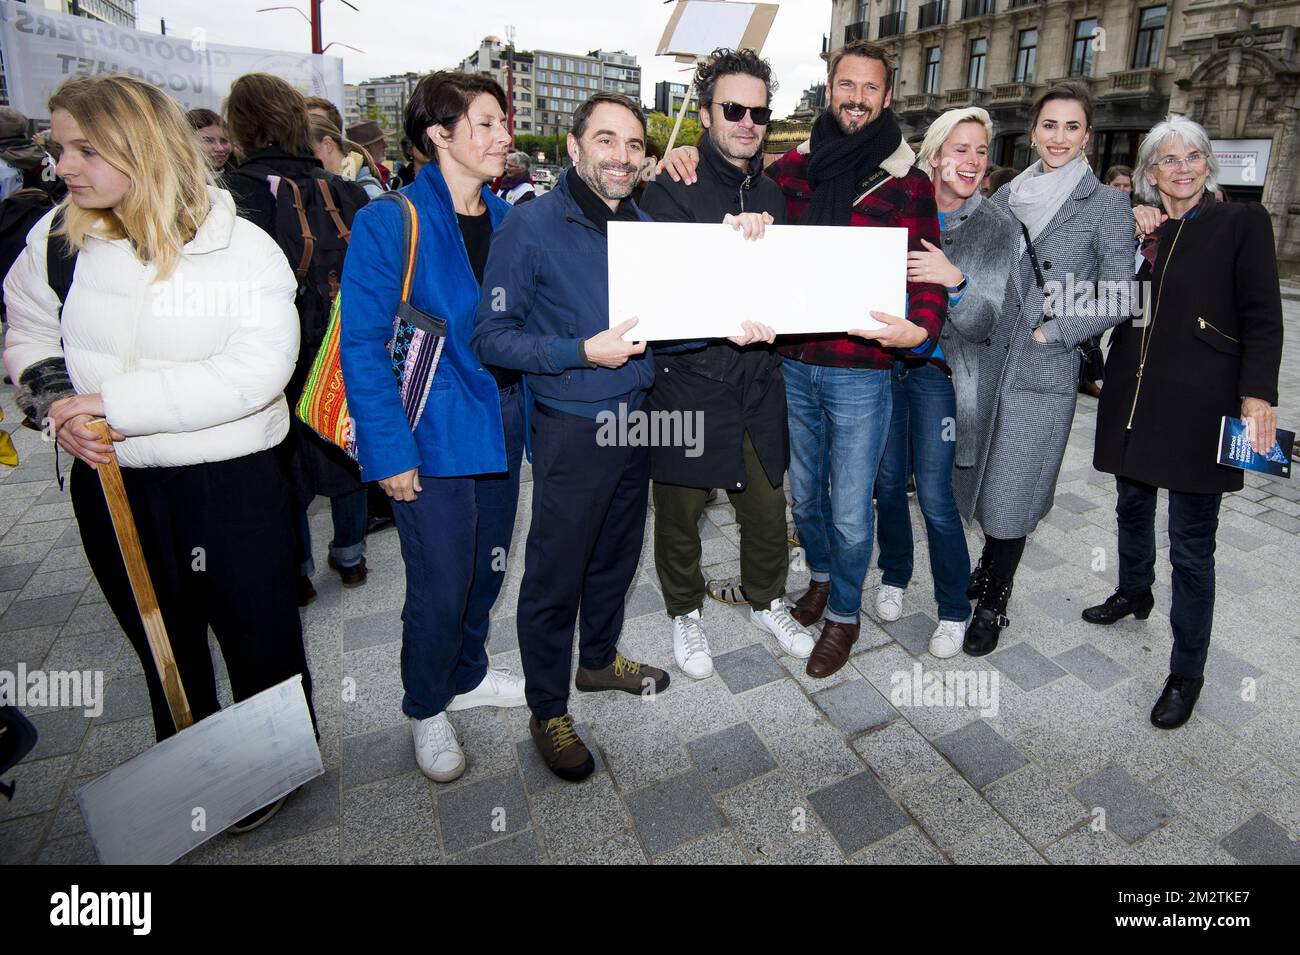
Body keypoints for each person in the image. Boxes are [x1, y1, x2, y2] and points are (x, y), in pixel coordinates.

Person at [3, 75, 313, 833]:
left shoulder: (243, 248)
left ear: (141, 146)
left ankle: (272, 759)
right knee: (160, 632)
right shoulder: (58, 238)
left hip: (229, 481)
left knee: (257, 627)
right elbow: (29, 328)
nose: (62, 163)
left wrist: (113, 405)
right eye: (58, 143)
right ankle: (193, 754)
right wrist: (52, 405)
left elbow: (255, 371)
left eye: (84, 147)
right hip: (111, 481)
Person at [663, 40, 947, 678]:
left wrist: (919, 330)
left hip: (862, 372)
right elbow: (741, 213)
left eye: (869, 88)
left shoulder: (909, 181)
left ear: (886, 96)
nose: (856, 97)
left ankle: (844, 614)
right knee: (808, 504)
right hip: (790, 365)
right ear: (830, 89)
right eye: (846, 85)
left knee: (850, 510)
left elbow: (927, 276)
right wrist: (681, 156)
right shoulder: (790, 168)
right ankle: (818, 581)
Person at [473, 92, 669, 783]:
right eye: (607, 140)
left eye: (634, 144)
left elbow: (673, 326)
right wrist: (581, 352)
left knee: (617, 553)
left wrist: (736, 322)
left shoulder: (646, 227)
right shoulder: (530, 228)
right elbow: (491, 336)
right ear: (574, 147)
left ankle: (599, 659)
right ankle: (547, 706)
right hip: (571, 428)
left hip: (637, 420)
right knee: (556, 571)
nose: (622, 156)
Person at [339, 71, 527, 783]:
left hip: (505, 430)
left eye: (501, 121)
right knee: (440, 582)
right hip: (432, 434)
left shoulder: (512, 219)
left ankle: (470, 672)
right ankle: (425, 703)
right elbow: (362, 344)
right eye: (485, 123)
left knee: (487, 571)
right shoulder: (392, 220)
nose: (502, 135)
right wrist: (390, 450)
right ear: (436, 135)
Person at [1088, 116, 1283, 729]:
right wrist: (1138, 228)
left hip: (1203, 407)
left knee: (1193, 548)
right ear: (1150, 174)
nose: (1183, 168)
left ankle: (1186, 672)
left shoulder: (1241, 223)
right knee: (1130, 503)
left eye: (1193, 156)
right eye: (1168, 160)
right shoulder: (1139, 228)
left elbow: (1263, 315)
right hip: (1133, 398)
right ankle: (1134, 589)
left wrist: (1258, 395)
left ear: (1208, 164)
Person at [638, 48, 815, 680]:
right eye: (733, 109)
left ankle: (767, 600)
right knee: (680, 509)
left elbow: (791, 285)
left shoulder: (774, 191)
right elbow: (652, 293)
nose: (748, 122)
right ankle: (683, 610)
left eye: (759, 112)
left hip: (758, 383)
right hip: (685, 382)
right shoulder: (671, 184)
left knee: (768, 507)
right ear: (707, 112)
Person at [961, 81, 1135, 656]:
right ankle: (985, 568)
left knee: (1015, 484)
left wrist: (1053, 331)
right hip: (989, 359)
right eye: (1049, 126)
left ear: (1088, 136)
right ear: (1033, 131)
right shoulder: (1007, 195)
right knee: (983, 472)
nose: (1058, 138)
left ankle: (994, 601)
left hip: (1044, 365)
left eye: (1072, 127)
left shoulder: (1105, 203)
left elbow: (1119, 296)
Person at [224, 73, 371, 602]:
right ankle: (350, 555)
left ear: (239, 127)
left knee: (279, 461)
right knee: (345, 444)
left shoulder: (229, 196)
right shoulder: (349, 192)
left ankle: (298, 569)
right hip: (342, 346)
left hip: (264, 355)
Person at [876, 107, 1017, 658]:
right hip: (885, 368)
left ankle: (954, 609)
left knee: (936, 497)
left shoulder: (995, 226)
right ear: (935, 156)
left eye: (981, 151)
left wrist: (954, 282)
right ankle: (893, 575)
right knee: (886, 484)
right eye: (961, 149)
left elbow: (984, 324)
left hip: (942, 375)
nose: (973, 161)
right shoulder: (902, 204)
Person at [308, 114, 385, 200]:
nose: (304, 160)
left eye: (308, 152)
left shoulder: (369, 193)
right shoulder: (340, 186)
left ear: (327, 145)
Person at [186, 107, 236, 175]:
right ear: (186, 142)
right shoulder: (172, 181)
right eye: (208, 141)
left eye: (224, 141)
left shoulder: (241, 178)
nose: (220, 148)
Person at [347, 120, 390, 187]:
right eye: (380, 141)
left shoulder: (349, 174)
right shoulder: (368, 182)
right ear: (366, 149)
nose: (386, 145)